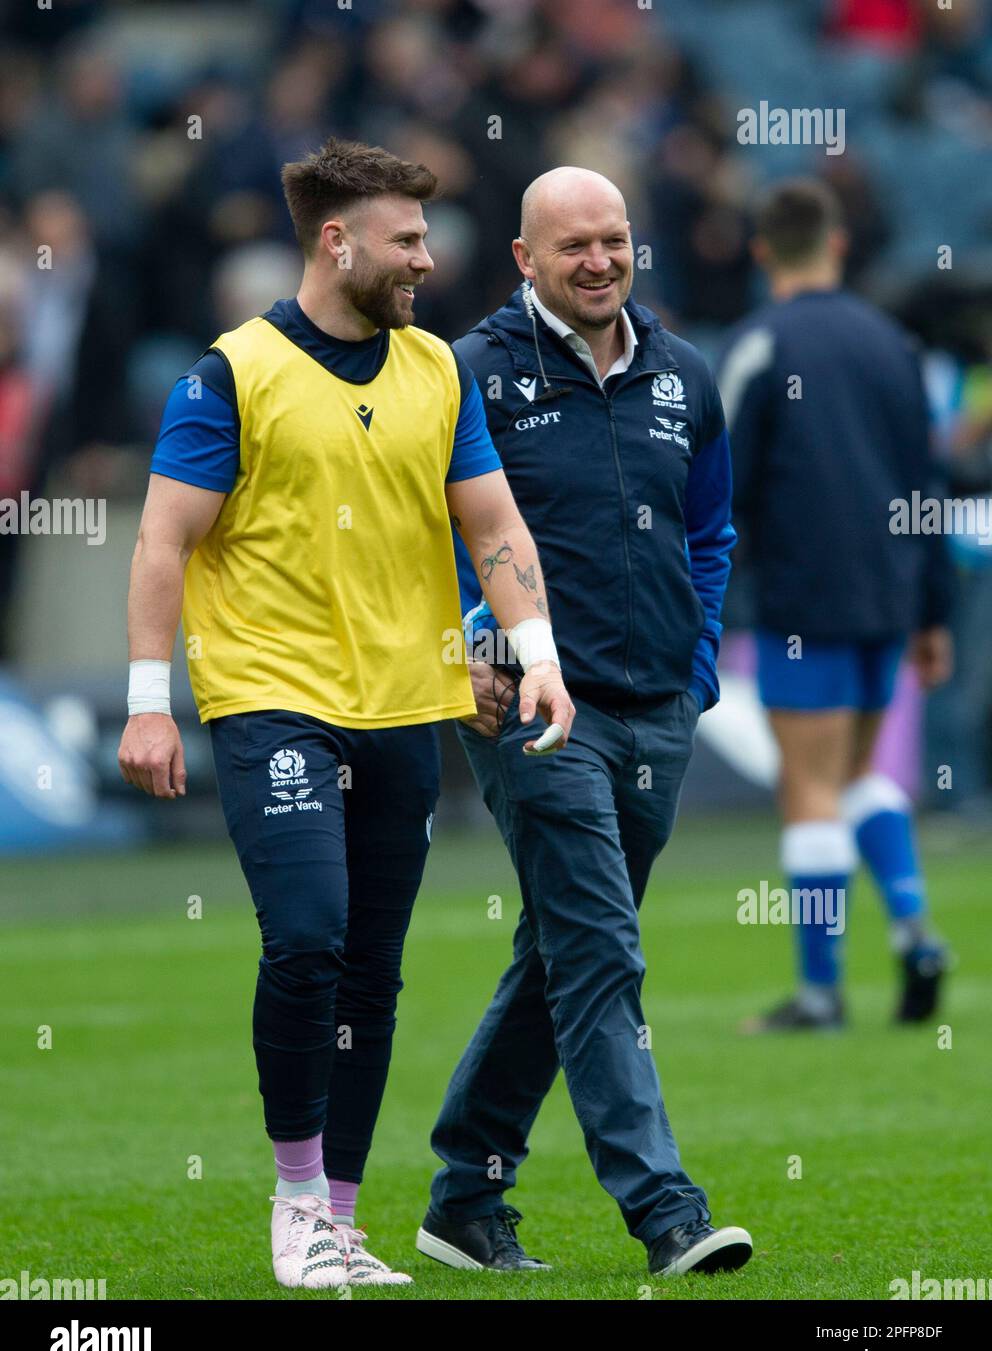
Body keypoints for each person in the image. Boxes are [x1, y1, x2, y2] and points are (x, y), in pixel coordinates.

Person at [117, 137, 574, 1290]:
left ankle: (339, 1220)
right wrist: (147, 703)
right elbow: (164, 540)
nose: (427, 257)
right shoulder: (230, 374)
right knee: (310, 934)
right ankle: (291, 1203)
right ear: (338, 240)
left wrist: (538, 657)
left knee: (371, 968)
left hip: (406, 706)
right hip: (272, 700)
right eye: (408, 238)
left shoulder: (435, 372)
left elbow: (494, 529)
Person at [415, 166, 752, 1279]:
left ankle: (465, 1187)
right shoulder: (464, 373)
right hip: (528, 703)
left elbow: (710, 535)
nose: (600, 261)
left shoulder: (683, 373)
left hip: (657, 709)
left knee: (565, 950)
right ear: (523, 260)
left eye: (614, 240)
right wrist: (454, 649)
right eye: (573, 247)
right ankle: (665, 1210)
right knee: (603, 946)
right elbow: (413, 540)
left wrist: (696, 671)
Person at [718, 178, 954, 1034]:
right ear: (839, 245)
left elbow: (721, 485)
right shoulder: (894, 344)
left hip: (804, 597)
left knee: (810, 789)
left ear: (760, 253)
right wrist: (931, 612)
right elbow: (925, 484)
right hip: (888, 597)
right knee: (858, 777)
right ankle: (914, 928)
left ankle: (821, 991)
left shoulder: (758, 344)